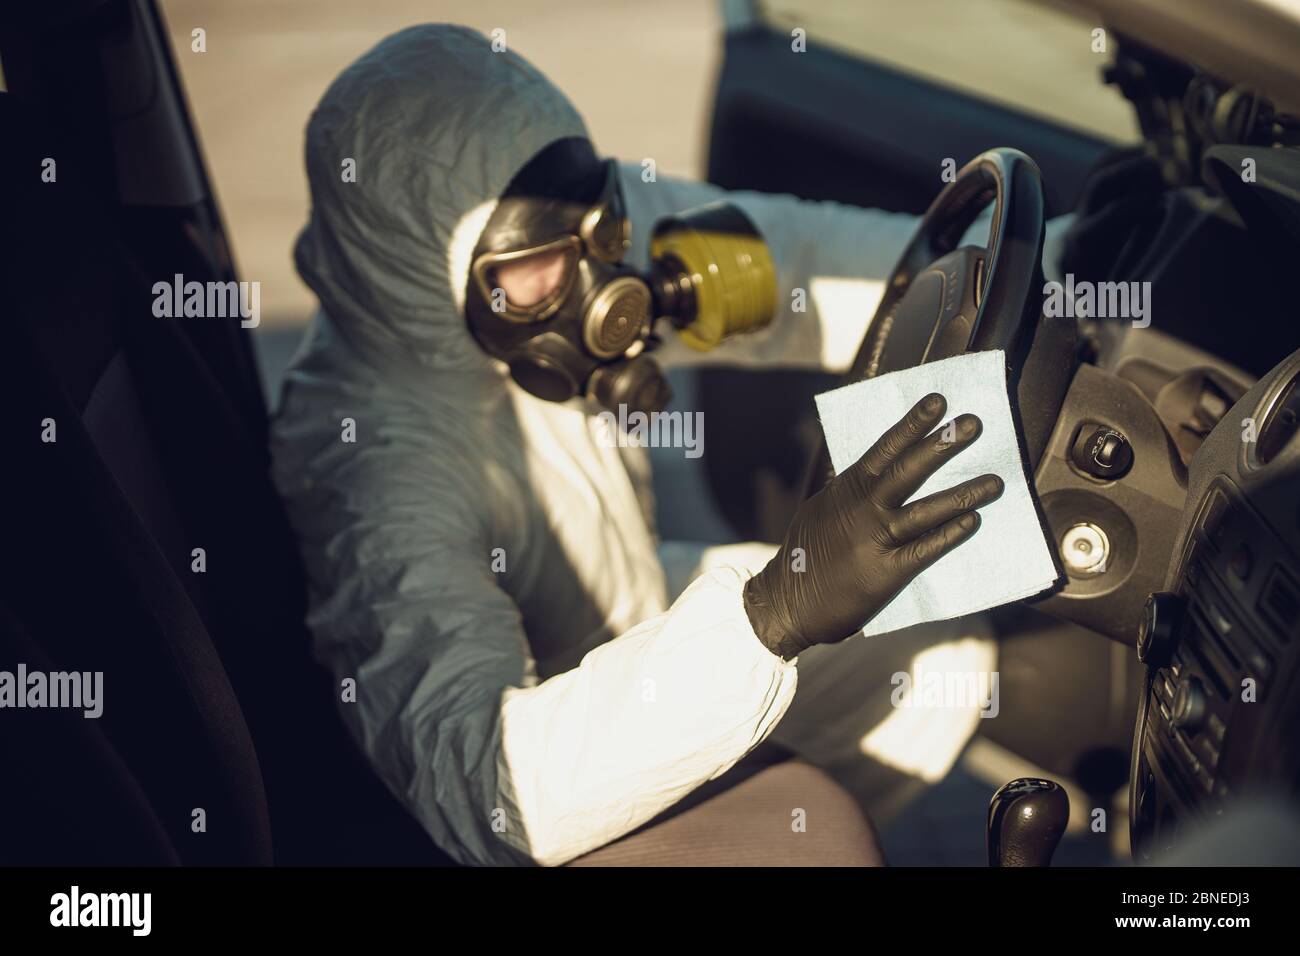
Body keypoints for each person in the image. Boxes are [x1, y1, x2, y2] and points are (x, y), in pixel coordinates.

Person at [270, 24, 1007, 866]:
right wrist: (774, 617)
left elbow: (801, 262)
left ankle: (783, 805)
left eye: (604, 237)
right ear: (427, 275)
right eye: (545, 272)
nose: (607, 294)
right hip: (557, 738)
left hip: (630, 604)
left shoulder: (562, 225)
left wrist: (1044, 255)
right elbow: (489, 786)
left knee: (938, 659)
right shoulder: (377, 466)